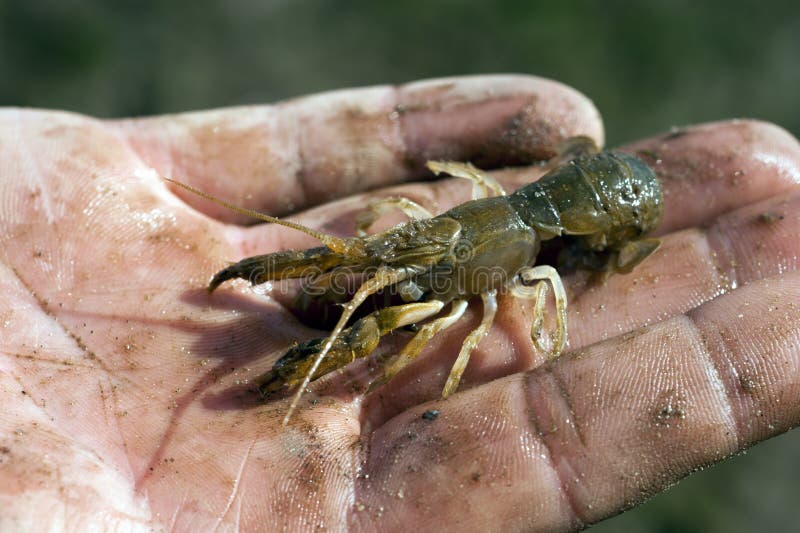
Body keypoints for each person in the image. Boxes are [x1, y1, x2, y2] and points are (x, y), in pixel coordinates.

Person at [1, 75, 798, 531]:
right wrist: (372, 247)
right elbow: (387, 244)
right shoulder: (436, 228)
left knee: (395, 321)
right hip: (504, 217)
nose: (368, 263)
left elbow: (428, 327)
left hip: (581, 212)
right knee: (374, 257)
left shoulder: (520, 273)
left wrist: (492, 349)